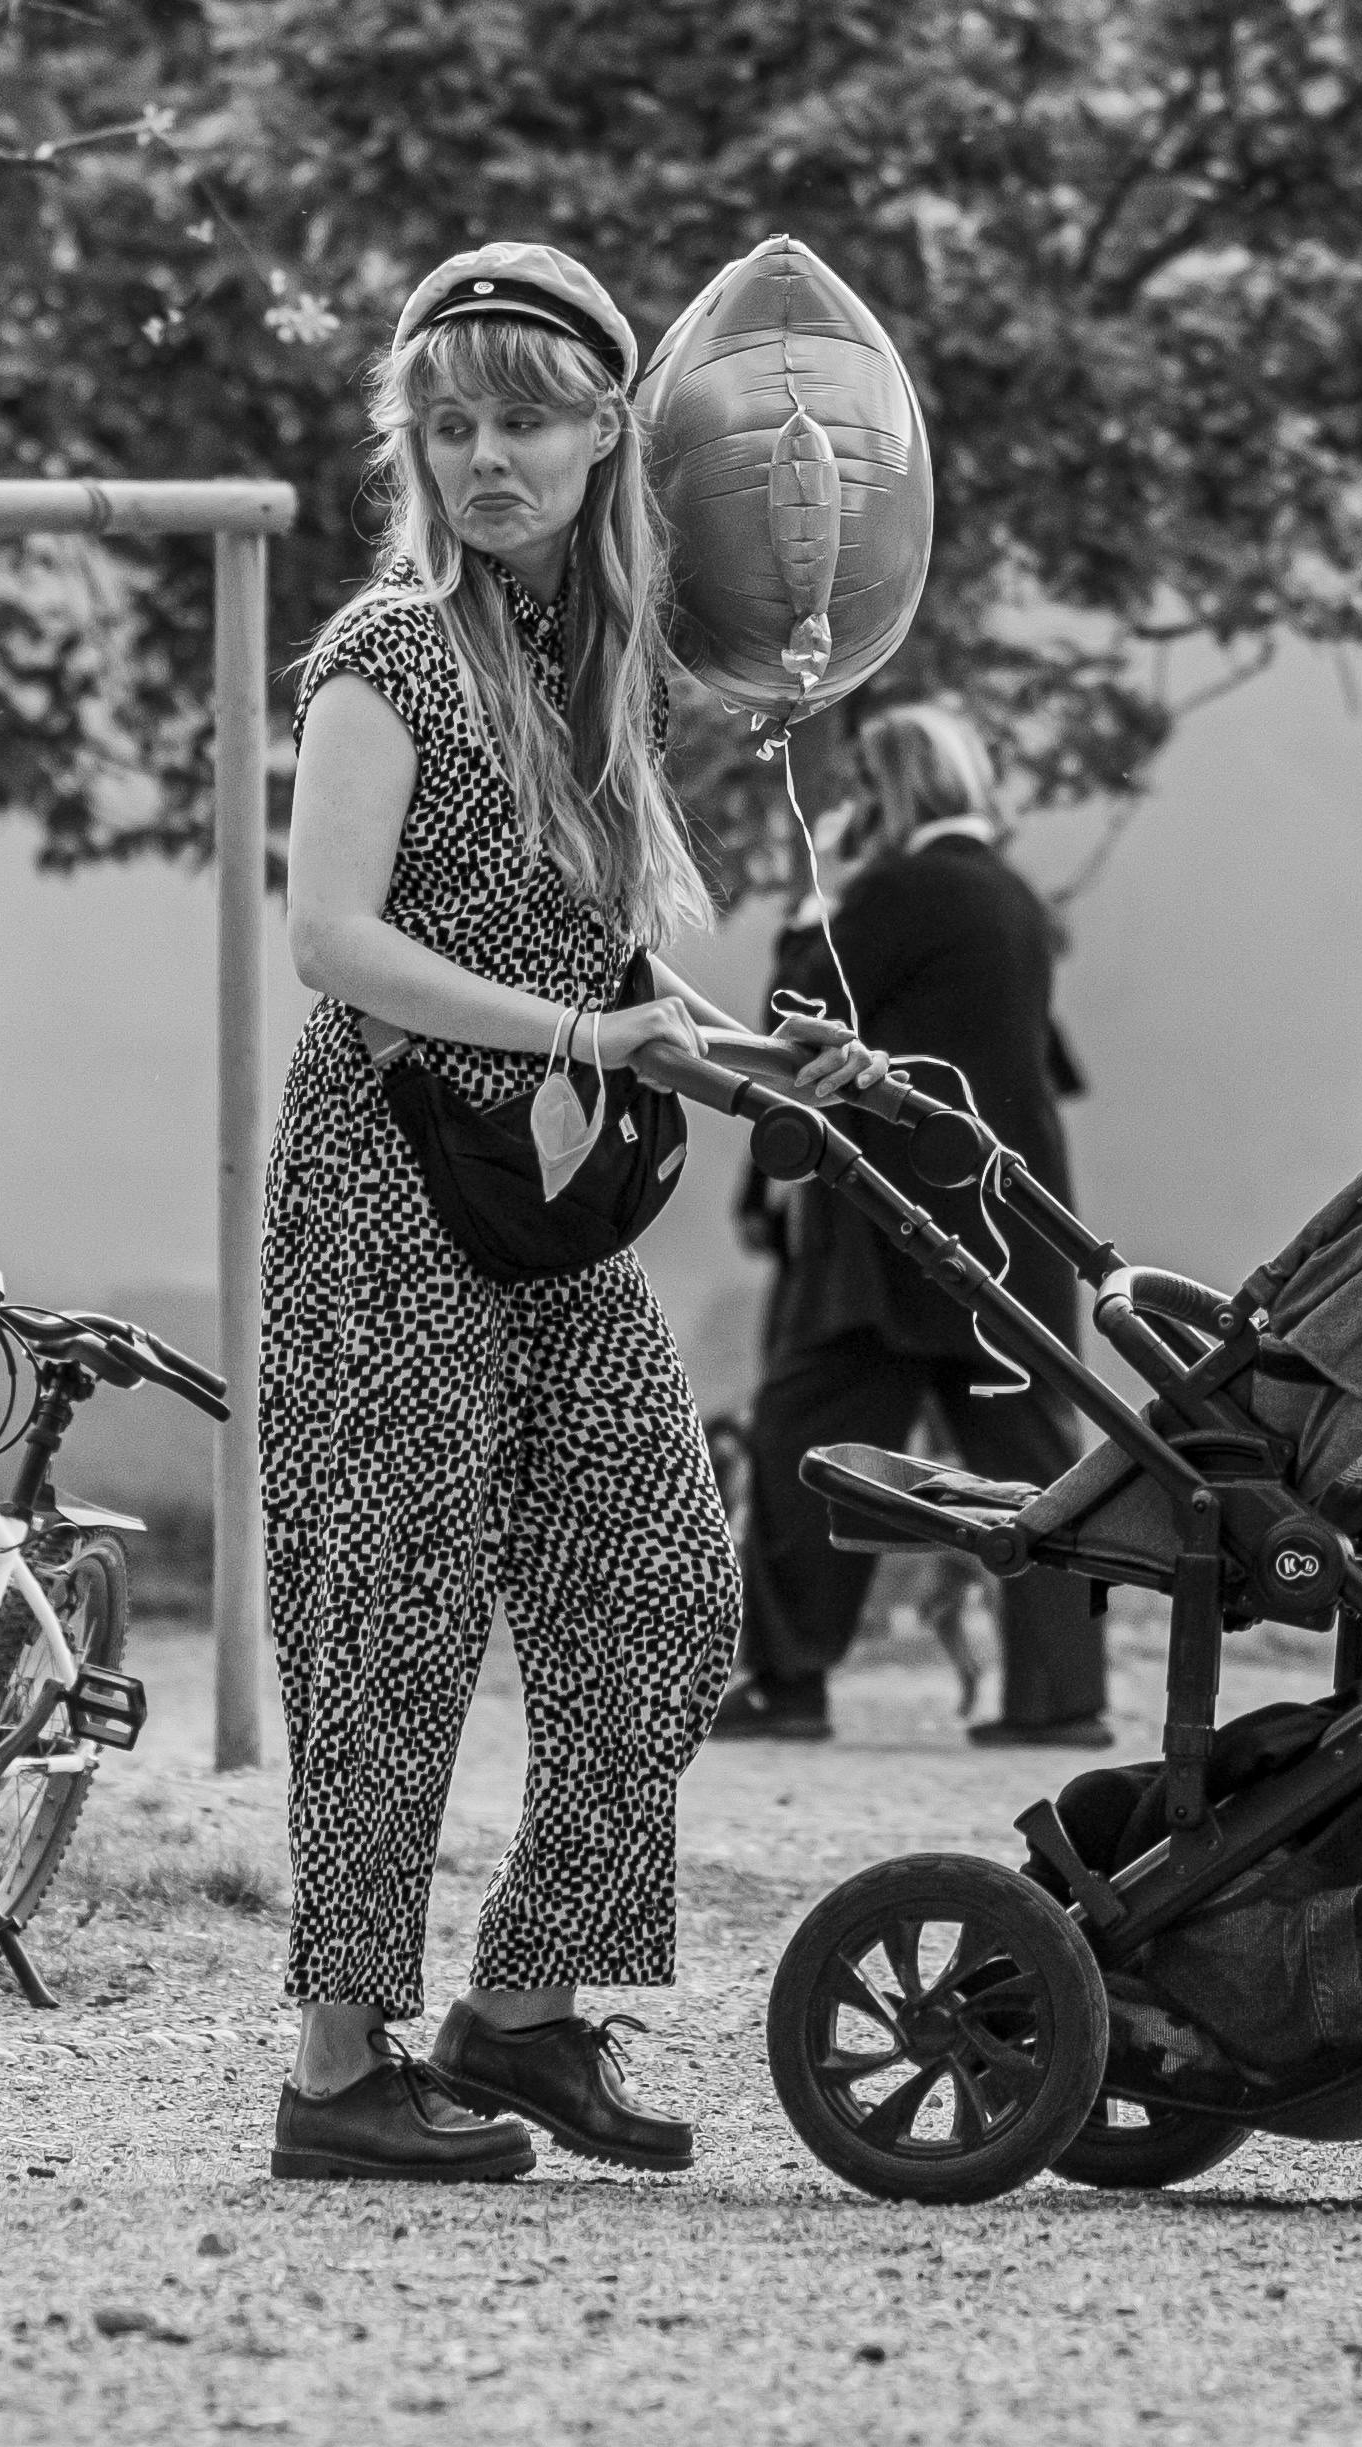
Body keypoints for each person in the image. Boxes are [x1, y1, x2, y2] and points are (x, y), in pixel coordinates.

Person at [261, 240, 886, 2184]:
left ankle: (521, 2012)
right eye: (449, 425)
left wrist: (752, 1061)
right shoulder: (388, 655)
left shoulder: (597, 668)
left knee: (671, 1594)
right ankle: (335, 2068)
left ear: (609, 426)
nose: (484, 460)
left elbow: (594, 963)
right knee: (395, 1616)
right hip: (386, 1184)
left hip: (541, 1197)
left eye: (522, 422)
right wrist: (575, 1032)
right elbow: (329, 940)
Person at [713, 701, 1114, 1747]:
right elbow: (1039, 1062)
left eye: (860, 789)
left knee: (806, 1438)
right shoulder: (1012, 900)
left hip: (892, 1235)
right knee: (1033, 1461)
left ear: (887, 791)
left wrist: (817, 904)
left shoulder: (900, 890)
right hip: (1008, 1222)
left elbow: (795, 1023)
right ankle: (1061, 1700)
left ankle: (788, 1683)